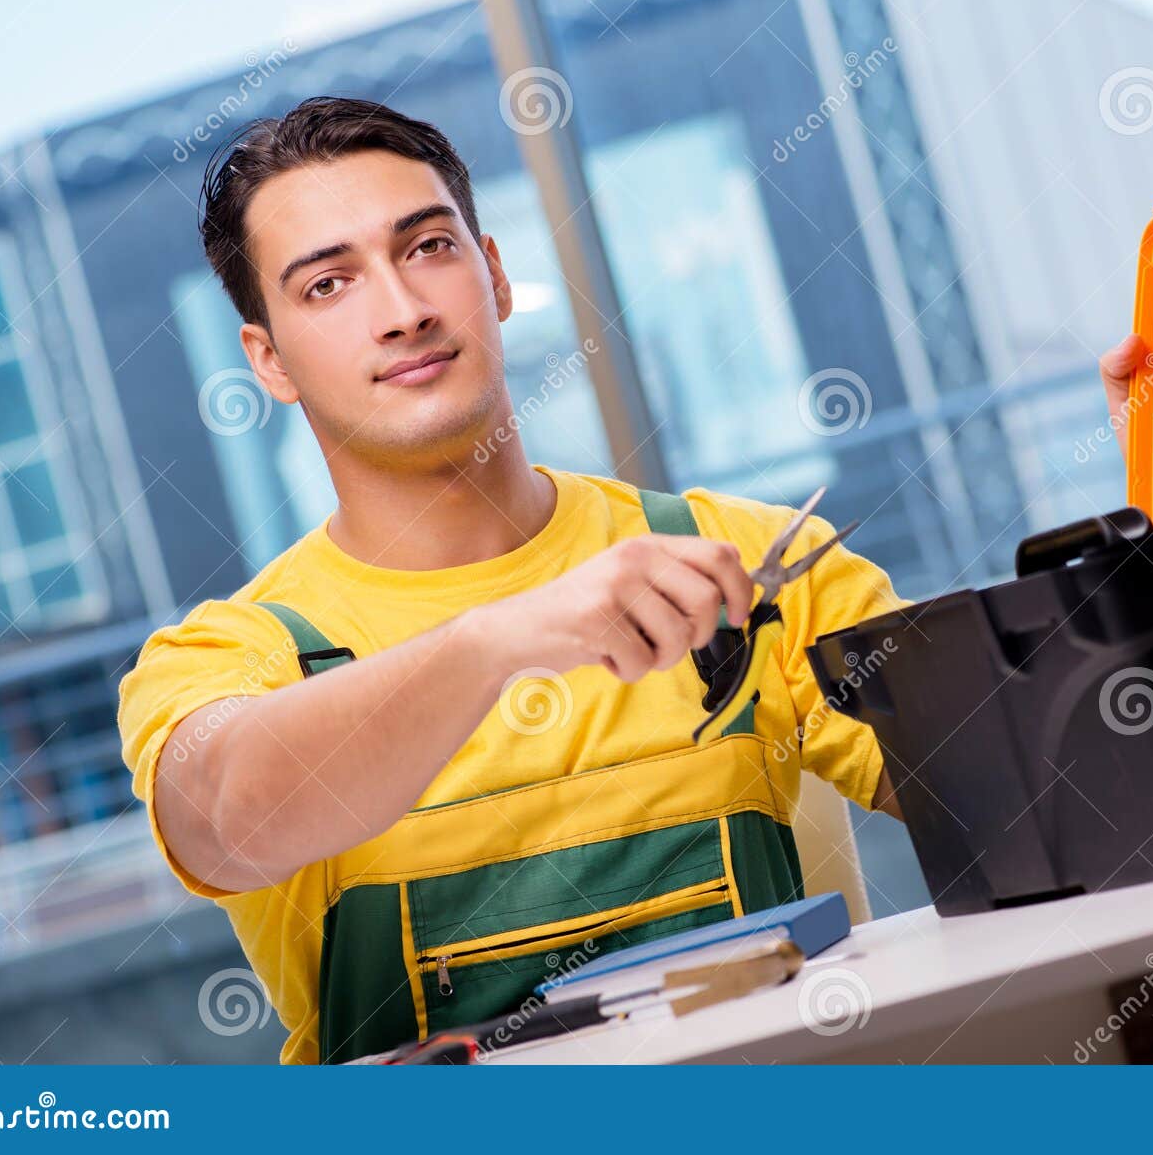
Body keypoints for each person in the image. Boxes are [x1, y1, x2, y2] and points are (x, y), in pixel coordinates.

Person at [117, 97, 918, 1065]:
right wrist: (495, 640)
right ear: (269, 361)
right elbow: (228, 821)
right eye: (328, 285)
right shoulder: (235, 654)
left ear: (493, 275)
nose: (403, 312)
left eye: (427, 248)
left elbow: (1025, 785)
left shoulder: (740, 558)